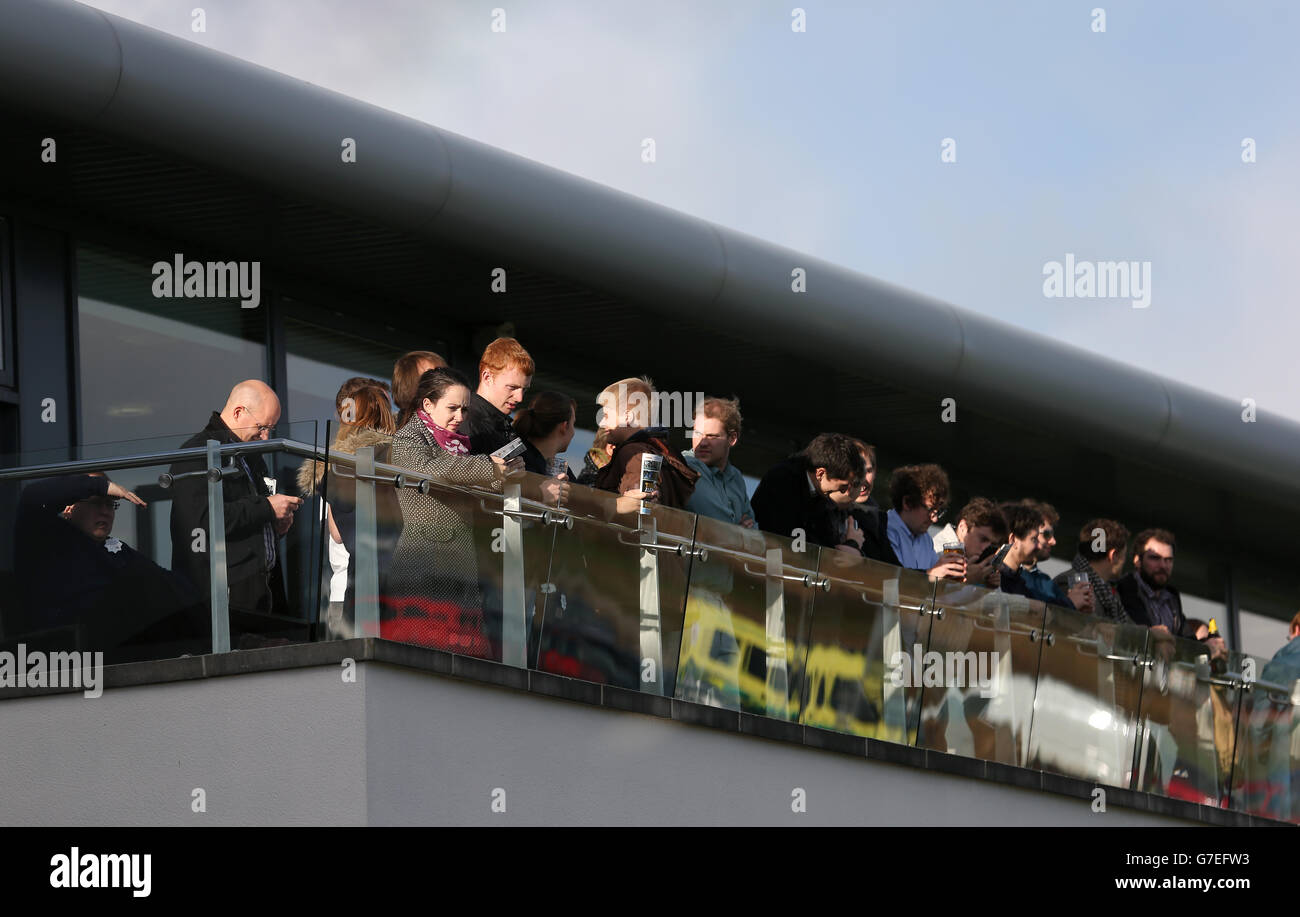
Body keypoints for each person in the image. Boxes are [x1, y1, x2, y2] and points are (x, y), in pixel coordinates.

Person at [386, 367, 517, 654]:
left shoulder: (458, 445)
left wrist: (505, 472)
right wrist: (489, 467)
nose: (460, 417)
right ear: (427, 404)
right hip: (423, 562)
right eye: (453, 408)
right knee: (420, 654)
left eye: (465, 409)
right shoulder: (409, 438)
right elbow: (432, 470)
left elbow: (467, 482)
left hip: (460, 562)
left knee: (464, 658)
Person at [14, 472, 204, 656]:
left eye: (110, 504)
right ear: (69, 508)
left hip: (121, 649)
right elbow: (32, 497)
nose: (105, 511)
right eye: (97, 502)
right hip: (63, 653)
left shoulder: (118, 550)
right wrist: (101, 486)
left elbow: (166, 583)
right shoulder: (48, 537)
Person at [169, 380, 303, 625]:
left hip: (260, 591)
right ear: (239, 412)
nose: (265, 436)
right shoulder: (196, 453)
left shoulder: (249, 455)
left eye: (270, 429)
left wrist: (274, 526)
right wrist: (267, 508)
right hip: (222, 597)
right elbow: (201, 523)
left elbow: (245, 521)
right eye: (262, 427)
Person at [297, 381, 399, 637]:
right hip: (395, 580)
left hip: (352, 582)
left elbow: (337, 532)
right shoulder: (392, 461)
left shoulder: (334, 469)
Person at [592, 376, 698, 510]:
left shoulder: (634, 453)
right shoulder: (661, 450)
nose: (602, 423)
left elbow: (639, 513)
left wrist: (612, 508)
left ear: (627, 417)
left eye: (606, 415)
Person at [751, 433, 864, 550]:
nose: (845, 491)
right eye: (843, 486)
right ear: (820, 474)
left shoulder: (819, 492)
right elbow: (785, 543)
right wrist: (850, 545)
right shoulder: (783, 482)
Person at [683, 397, 755, 528]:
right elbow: (718, 522)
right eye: (697, 433)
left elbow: (754, 530)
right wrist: (739, 529)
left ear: (732, 439)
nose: (702, 442)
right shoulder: (686, 466)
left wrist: (742, 531)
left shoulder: (736, 477)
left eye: (712, 436)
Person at [886, 464, 964, 579]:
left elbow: (935, 582)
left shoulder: (925, 539)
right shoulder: (885, 530)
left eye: (938, 511)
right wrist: (932, 574)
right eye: (930, 509)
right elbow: (892, 579)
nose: (935, 519)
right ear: (907, 503)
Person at [464, 337, 534, 455]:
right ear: (487, 377)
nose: (520, 398)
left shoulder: (500, 425)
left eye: (524, 390)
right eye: (512, 387)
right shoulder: (465, 422)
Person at [1116, 528, 1192, 636]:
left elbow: (1188, 638)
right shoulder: (1123, 589)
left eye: (1168, 560)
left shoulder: (1172, 597)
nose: (1163, 565)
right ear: (1137, 561)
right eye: (1155, 558)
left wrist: (1207, 642)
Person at [1053, 518, 1131, 623]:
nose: (1124, 561)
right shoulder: (1072, 583)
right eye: (1124, 555)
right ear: (1113, 555)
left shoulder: (1109, 592)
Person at [1017, 500, 1090, 611]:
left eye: (1052, 535)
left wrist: (1080, 612)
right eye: (1047, 534)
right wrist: (1070, 603)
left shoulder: (1047, 583)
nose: (1053, 542)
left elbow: (1059, 617)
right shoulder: (1000, 573)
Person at [931, 497, 1006, 588]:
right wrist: (967, 580)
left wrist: (986, 586)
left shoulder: (960, 552)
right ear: (962, 527)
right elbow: (929, 593)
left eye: (992, 544)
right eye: (983, 539)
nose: (985, 547)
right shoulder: (936, 552)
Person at [846, 439, 897, 564]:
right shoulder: (832, 513)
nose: (863, 479)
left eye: (868, 471)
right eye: (857, 471)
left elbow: (891, 566)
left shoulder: (880, 521)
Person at [514, 390, 579, 479]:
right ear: (564, 426)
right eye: (573, 424)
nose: (573, 432)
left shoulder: (515, 457)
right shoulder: (520, 466)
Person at [994, 502, 1048, 599]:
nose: (1039, 546)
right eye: (1034, 539)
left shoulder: (1022, 585)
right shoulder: (990, 579)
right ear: (1013, 540)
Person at [391, 351, 446, 427]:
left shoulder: (456, 424)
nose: (446, 380)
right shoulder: (404, 431)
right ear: (409, 384)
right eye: (433, 374)